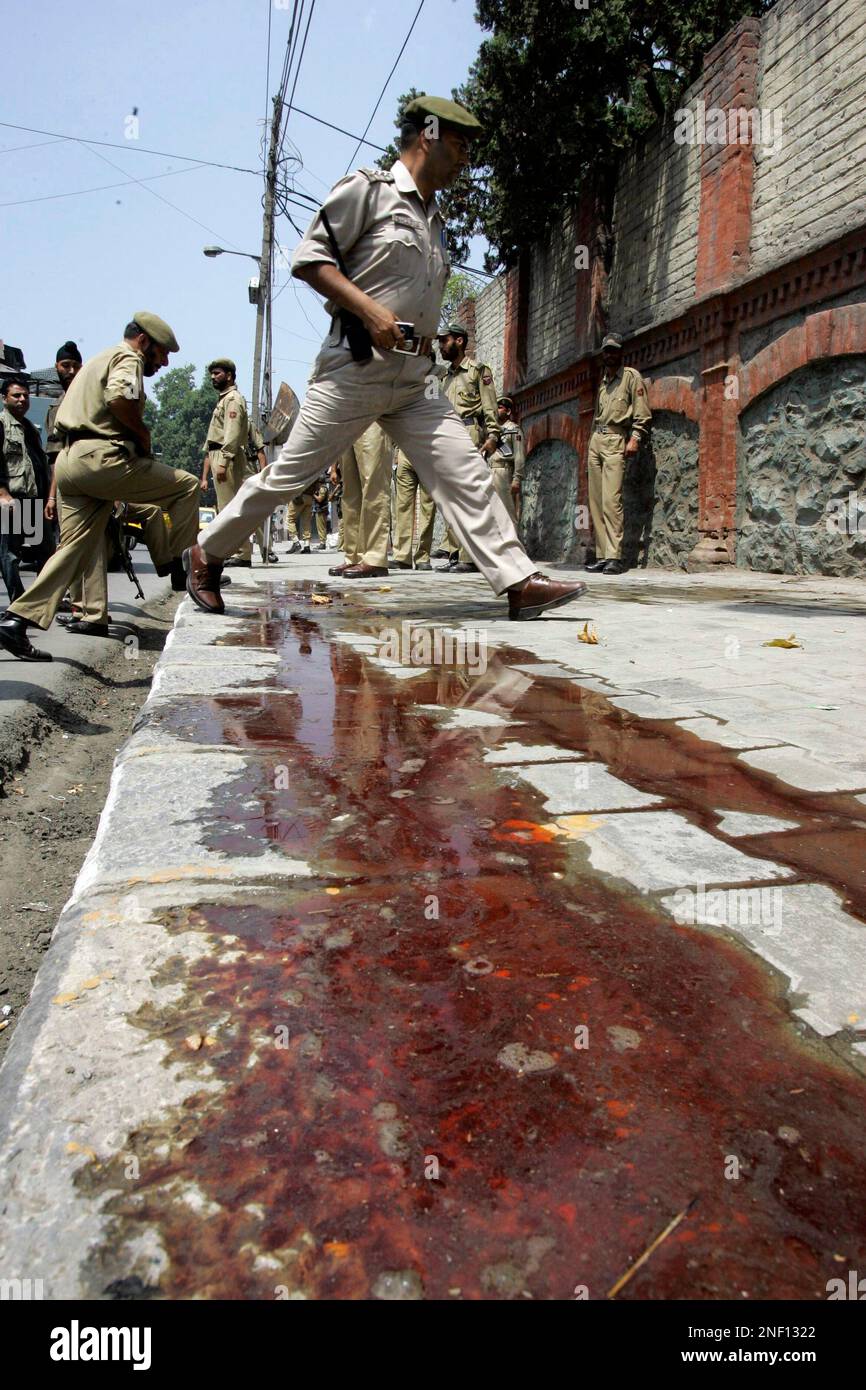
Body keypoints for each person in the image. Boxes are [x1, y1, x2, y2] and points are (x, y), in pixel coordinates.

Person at [183, 95, 586, 624]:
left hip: (414, 379)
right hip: (353, 370)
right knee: (288, 477)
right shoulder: (368, 192)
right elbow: (309, 260)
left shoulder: (435, 218)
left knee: (466, 471)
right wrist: (369, 310)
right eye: (461, 146)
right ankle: (206, 553)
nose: (467, 161)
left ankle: (517, 581)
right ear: (430, 136)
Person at [0, 313, 200, 661]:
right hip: (102, 460)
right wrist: (142, 433)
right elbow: (120, 399)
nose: (165, 362)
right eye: (162, 353)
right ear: (144, 342)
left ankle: (16, 621)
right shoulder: (127, 358)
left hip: (71, 462)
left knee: (72, 549)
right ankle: (184, 572)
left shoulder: (96, 360)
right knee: (186, 486)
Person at [435, 323, 500, 572]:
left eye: (445, 340)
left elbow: (490, 406)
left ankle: (469, 557)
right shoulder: (441, 377)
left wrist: (493, 435)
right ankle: (454, 552)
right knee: (450, 496)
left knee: (468, 494)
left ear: (460, 341)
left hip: (468, 433)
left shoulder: (478, 371)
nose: (441, 346)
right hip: (445, 437)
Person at [586, 333, 651, 575]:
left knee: (612, 501)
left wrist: (635, 437)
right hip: (597, 439)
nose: (609, 354)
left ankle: (615, 556)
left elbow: (643, 413)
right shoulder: (603, 383)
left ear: (621, 352)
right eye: (606, 351)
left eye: (613, 350)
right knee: (596, 500)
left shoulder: (631, 377)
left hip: (616, 438)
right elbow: (596, 416)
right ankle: (603, 555)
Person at [0, 376, 56, 604]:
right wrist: (3, 494)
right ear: (5, 399)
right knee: (9, 554)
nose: (22, 399)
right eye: (16, 395)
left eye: (25, 395)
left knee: (44, 551)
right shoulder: (1, 424)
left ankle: (39, 601)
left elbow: (39, 467)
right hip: (12, 500)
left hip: (32, 501)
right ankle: (17, 600)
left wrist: (47, 500)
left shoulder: (30, 429)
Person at [204, 358, 254, 568]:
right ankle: (236, 551)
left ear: (229, 375)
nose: (213, 377)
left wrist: (223, 461)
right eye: (212, 374)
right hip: (220, 455)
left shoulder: (232, 399)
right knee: (227, 508)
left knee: (230, 509)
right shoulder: (224, 399)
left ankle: (241, 554)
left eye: (217, 373)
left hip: (226, 457)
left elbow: (232, 434)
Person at [329, 422, 392, 577]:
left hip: (373, 414)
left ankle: (375, 558)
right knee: (350, 494)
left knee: (374, 489)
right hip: (346, 418)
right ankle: (354, 556)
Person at [391, 445, 435, 570]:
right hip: (404, 452)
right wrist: (397, 451)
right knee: (403, 506)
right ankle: (402, 556)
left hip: (428, 452)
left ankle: (422, 556)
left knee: (427, 507)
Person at [489, 396, 524, 522]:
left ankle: (512, 541)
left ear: (508, 411)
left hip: (504, 472)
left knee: (507, 513)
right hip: (489, 471)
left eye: (499, 408)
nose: (496, 410)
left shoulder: (514, 430)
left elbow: (519, 455)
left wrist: (517, 479)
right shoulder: (492, 430)